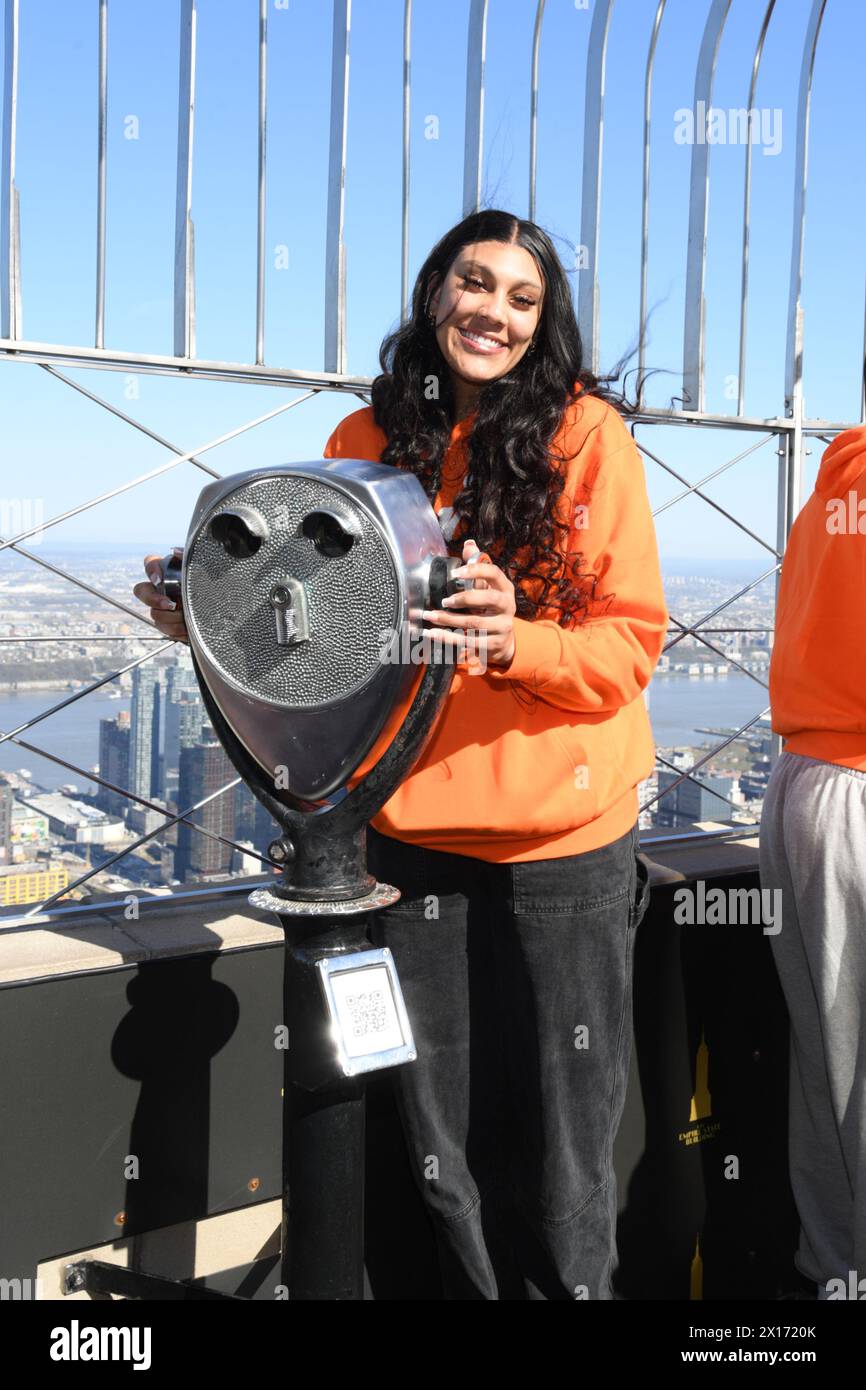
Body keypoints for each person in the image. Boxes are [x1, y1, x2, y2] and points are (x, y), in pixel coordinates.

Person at [135, 208, 668, 1300]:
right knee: (427, 1138)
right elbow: (322, 646)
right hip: (405, 841)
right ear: (436, 292)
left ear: (542, 320)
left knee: (561, 1156)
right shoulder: (359, 443)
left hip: (555, 852)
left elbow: (629, 642)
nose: (493, 312)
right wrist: (217, 611)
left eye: (521, 298)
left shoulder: (583, 439)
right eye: (474, 283)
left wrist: (513, 639)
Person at [759, 422, 866, 1302]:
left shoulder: (838, 476)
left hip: (807, 784)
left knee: (832, 1070)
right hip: (859, 786)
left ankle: (838, 1274)